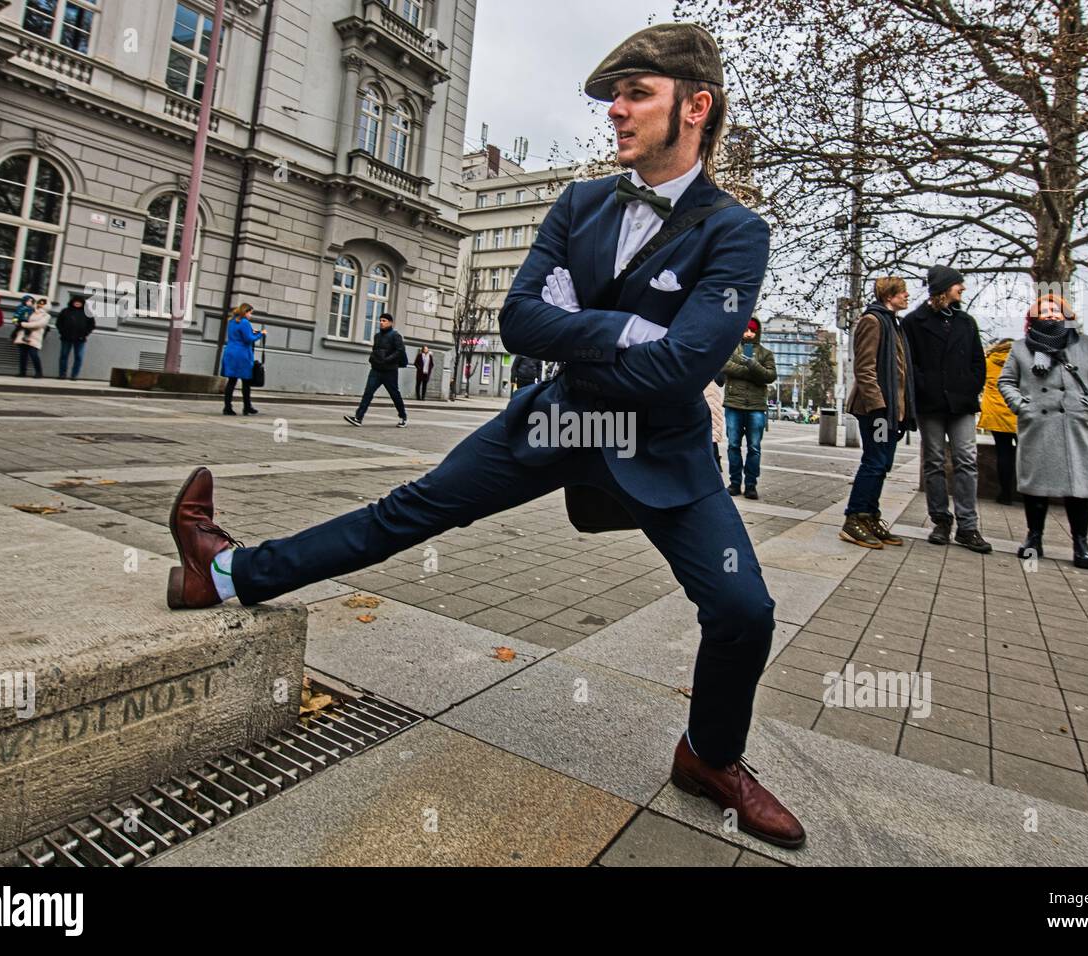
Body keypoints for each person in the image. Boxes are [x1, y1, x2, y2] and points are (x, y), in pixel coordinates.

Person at [164, 23, 804, 849]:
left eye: (636, 93)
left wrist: (585, 324)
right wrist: (633, 332)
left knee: (744, 609)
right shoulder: (580, 202)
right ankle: (222, 574)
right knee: (407, 512)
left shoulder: (736, 232)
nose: (615, 110)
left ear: (695, 107)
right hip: (556, 420)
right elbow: (519, 321)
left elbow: (680, 370)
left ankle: (711, 757)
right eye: (613, 95)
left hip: (663, 444)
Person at [998, 294, 1088, 570]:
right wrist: (1021, 405)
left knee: (1078, 487)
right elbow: (1007, 381)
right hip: (1038, 423)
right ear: (1033, 318)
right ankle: (1034, 538)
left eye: (1056, 309)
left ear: (1066, 315)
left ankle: (1080, 542)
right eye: (1044, 310)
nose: (1050, 314)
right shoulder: (1021, 348)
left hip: (1074, 424)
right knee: (1036, 486)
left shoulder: (1086, 345)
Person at [901, 265, 992, 553]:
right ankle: (940, 520)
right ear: (942, 288)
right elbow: (909, 364)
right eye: (957, 285)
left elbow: (979, 361)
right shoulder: (915, 322)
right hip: (932, 403)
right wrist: (925, 386)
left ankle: (968, 526)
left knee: (966, 459)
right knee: (934, 461)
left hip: (962, 403)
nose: (962, 289)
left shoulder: (966, 322)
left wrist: (970, 385)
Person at [840, 276, 916, 548]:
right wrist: (879, 406)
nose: (908, 296)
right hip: (877, 410)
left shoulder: (895, 324)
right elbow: (864, 368)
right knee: (874, 462)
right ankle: (854, 519)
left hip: (892, 410)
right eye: (903, 292)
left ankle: (870, 516)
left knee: (882, 464)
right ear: (889, 295)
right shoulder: (872, 321)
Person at [721, 317, 776, 499]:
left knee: (754, 448)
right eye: (746, 330)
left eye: (752, 330)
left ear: (757, 332)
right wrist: (753, 373)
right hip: (734, 404)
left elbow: (770, 376)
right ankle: (735, 483)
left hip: (756, 407)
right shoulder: (730, 349)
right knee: (733, 445)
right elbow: (726, 367)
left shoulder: (766, 354)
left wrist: (752, 364)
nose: (749, 334)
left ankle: (751, 485)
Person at [343, 313, 409, 428]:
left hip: (390, 371)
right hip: (376, 370)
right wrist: (372, 359)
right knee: (367, 393)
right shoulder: (377, 336)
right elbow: (375, 350)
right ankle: (358, 418)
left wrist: (387, 360)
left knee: (395, 395)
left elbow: (400, 351)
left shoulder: (395, 335)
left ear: (390, 322)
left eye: (384, 320)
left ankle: (403, 417)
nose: (381, 322)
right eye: (381, 320)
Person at [979, 338, 1018, 504]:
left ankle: (1006, 493)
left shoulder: (989, 361)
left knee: (1004, 453)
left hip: (995, 413)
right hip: (1018, 412)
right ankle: (1026, 492)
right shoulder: (1019, 361)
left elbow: (979, 382)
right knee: (1025, 455)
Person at [220, 303, 265, 416]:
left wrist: (251, 332)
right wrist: (261, 334)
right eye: (250, 313)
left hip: (230, 352)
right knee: (246, 382)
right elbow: (248, 339)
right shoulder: (244, 322)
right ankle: (247, 407)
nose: (251, 315)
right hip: (242, 355)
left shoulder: (232, 321)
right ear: (245, 312)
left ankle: (227, 407)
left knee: (231, 381)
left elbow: (239, 334)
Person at [55, 294, 95, 380]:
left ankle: (74, 375)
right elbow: (59, 323)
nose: (77, 303)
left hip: (80, 339)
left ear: (82, 303)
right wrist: (62, 332)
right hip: (66, 338)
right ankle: (62, 374)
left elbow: (92, 325)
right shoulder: (65, 311)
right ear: (72, 302)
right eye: (76, 302)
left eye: (79, 302)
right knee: (64, 356)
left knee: (79, 357)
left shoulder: (87, 313)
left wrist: (85, 334)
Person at [15, 296, 49, 377]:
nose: (40, 305)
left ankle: (39, 372)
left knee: (33, 354)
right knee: (23, 354)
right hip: (25, 335)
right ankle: (22, 372)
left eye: (43, 304)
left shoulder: (46, 315)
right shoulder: (30, 311)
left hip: (35, 336)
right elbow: (22, 318)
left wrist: (24, 324)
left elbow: (39, 324)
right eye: (39, 303)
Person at [704, 374, 725, 474]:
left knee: (712, 436)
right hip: (703, 397)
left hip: (711, 398)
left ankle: (715, 467)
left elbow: (720, 380)